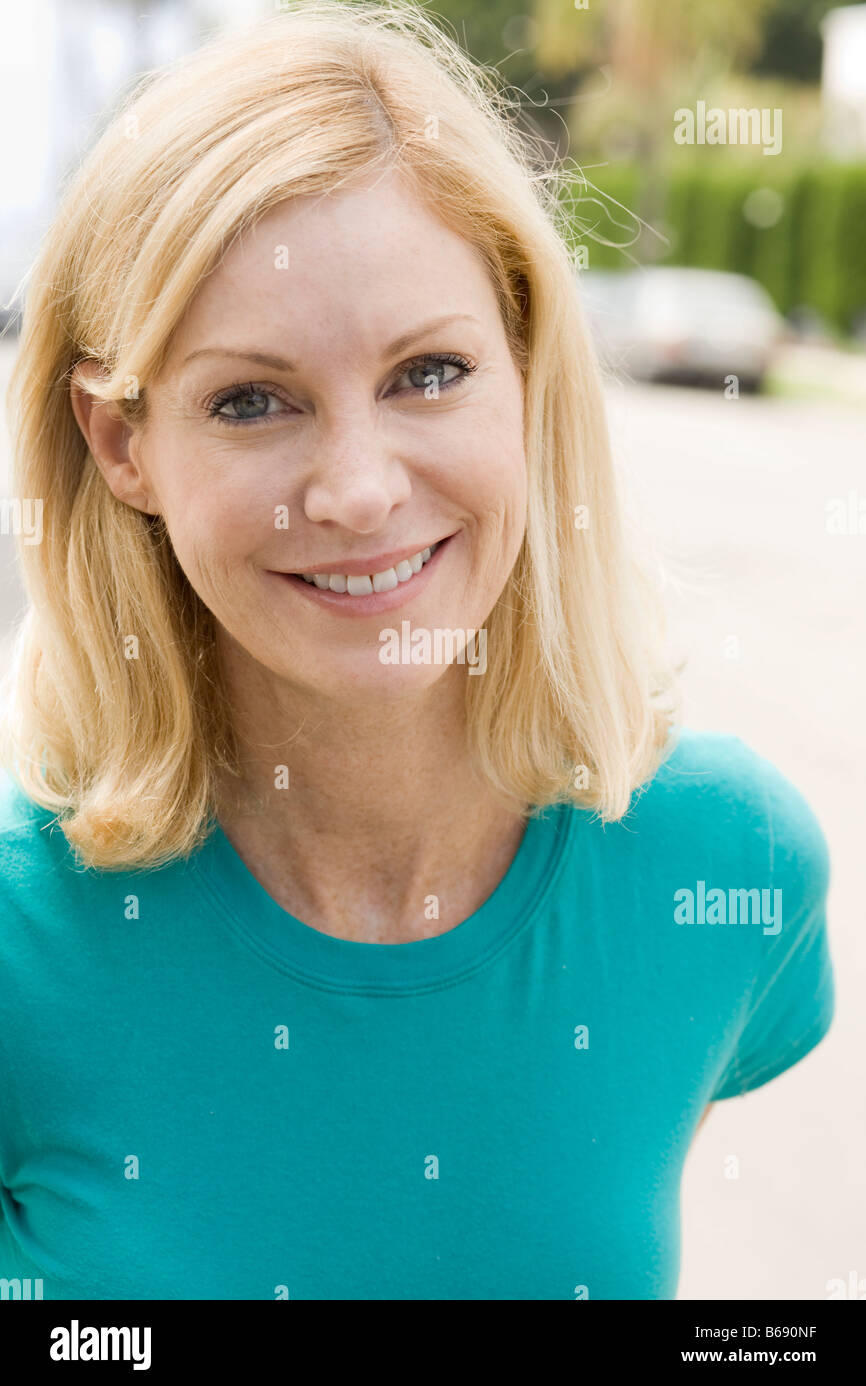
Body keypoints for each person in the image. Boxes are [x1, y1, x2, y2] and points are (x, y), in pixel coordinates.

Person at [0, 0, 833, 1300]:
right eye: (251, 400)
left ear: (525, 369)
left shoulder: (723, 869)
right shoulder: (21, 938)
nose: (357, 491)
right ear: (122, 446)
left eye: (426, 374)